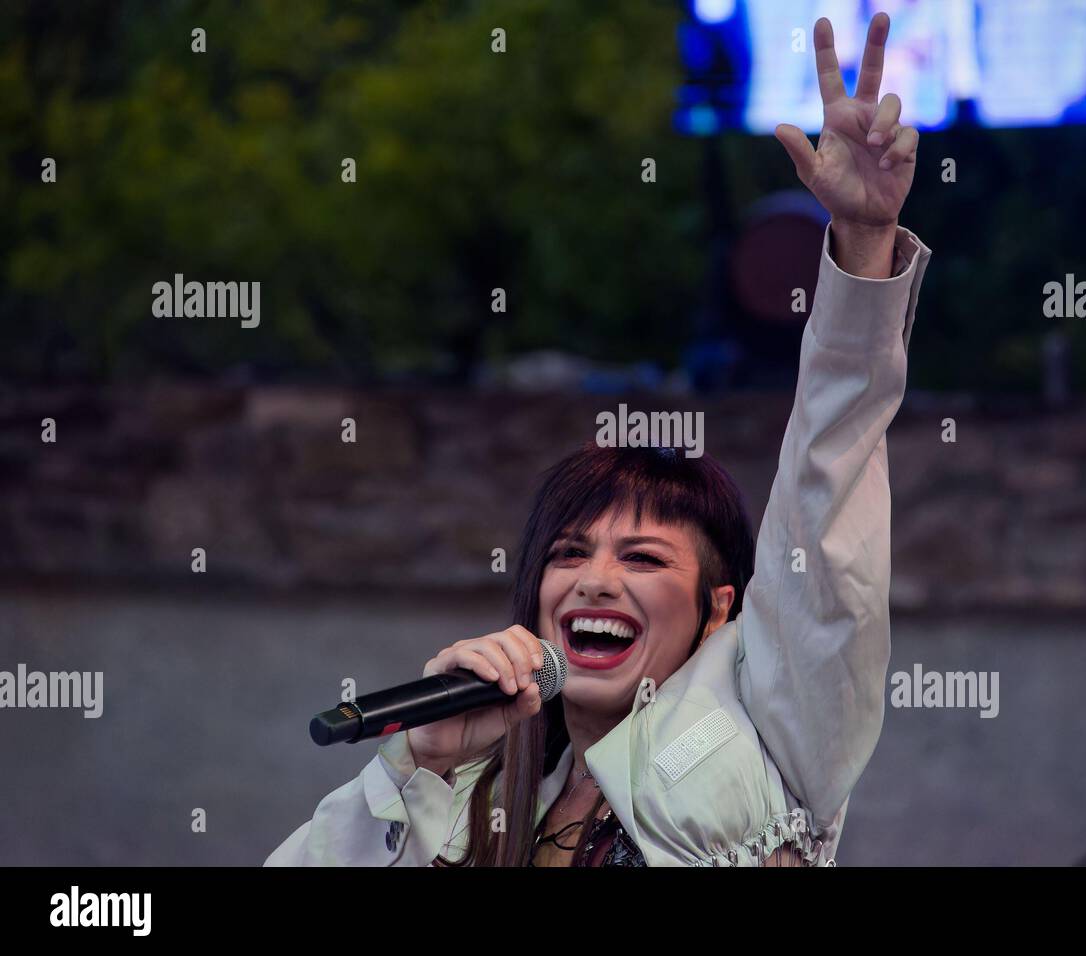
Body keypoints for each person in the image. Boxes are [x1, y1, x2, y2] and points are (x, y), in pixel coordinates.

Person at [266, 12, 931, 867]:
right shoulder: (476, 790)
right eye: (570, 553)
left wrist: (865, 241)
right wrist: (419, 770)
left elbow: (827, 487)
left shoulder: (768, 725)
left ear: (718, 611)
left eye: (646, 559)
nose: (596, 581)